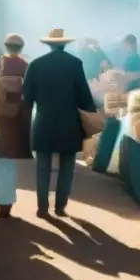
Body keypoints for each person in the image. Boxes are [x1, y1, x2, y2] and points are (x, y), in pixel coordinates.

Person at [22, 29, 97, 217]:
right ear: (65, 44)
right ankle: (60, 206)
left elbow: (27, 98)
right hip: (69, 124)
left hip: (43, 122)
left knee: (43, 167)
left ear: (48, 44)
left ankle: (42, 207)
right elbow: (85, 99)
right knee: (67, 167)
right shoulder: (75, 64)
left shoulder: (36, 65)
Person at [0, 33, 31, 218]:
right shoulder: (26, 66)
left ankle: (1, 201)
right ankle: (9, 202)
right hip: (17, 120)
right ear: (21, 48)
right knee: (10, 163)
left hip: (0, 118)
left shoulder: (0, 63)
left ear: (5, 46)